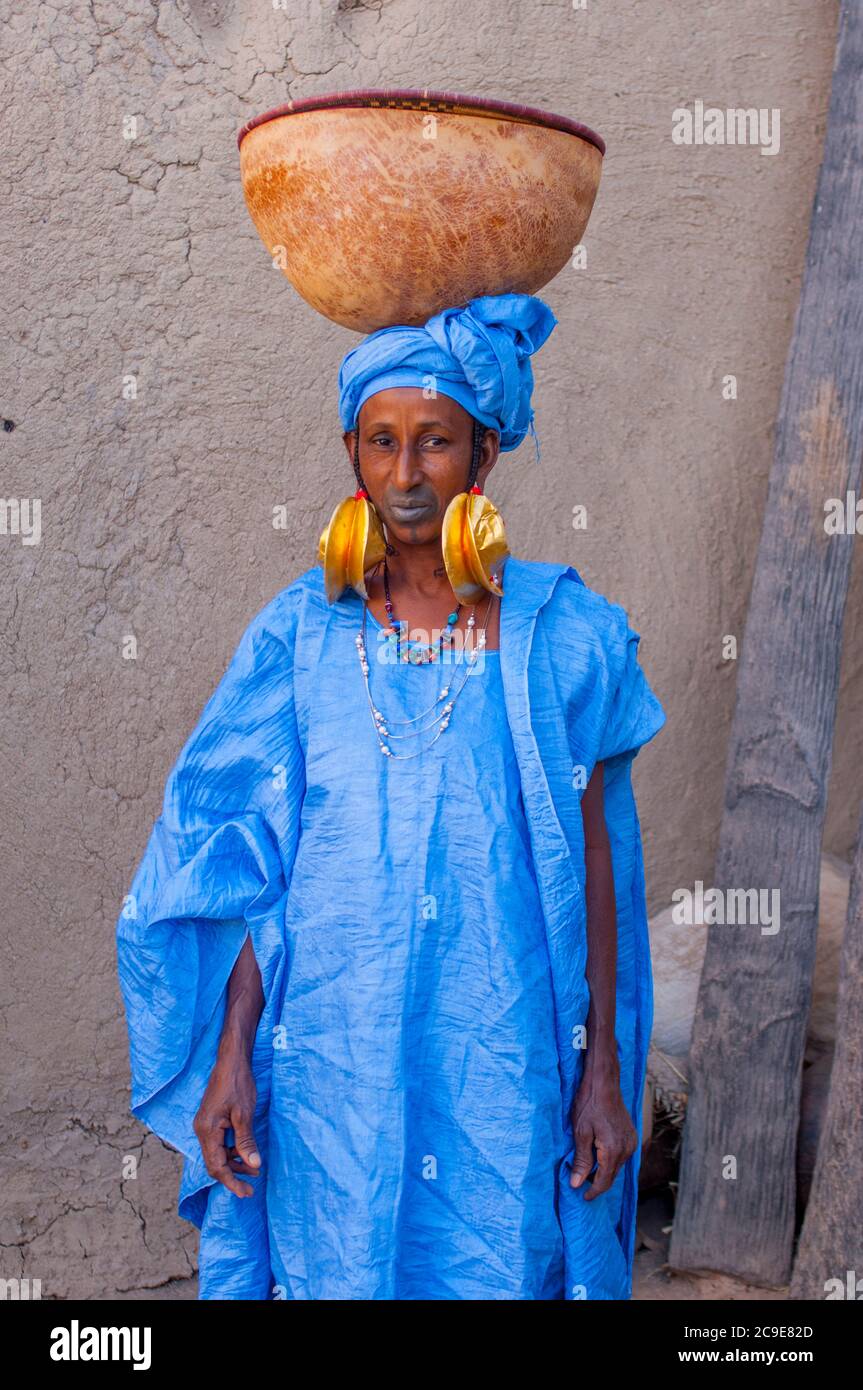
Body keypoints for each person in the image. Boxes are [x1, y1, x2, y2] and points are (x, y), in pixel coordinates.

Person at [116, 292, 666, 1300]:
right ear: (350, 452)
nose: (406, 475)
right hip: (334, 1057)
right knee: (341, 1255)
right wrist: (233, 1050)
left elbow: (597, 867)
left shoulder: (566, 638)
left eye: (436, 442)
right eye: (381, 442)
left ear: (484, 455)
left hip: (501, 1060)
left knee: (499, 1259)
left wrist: (599, 1072)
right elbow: (252, 870)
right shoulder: (297, 638)